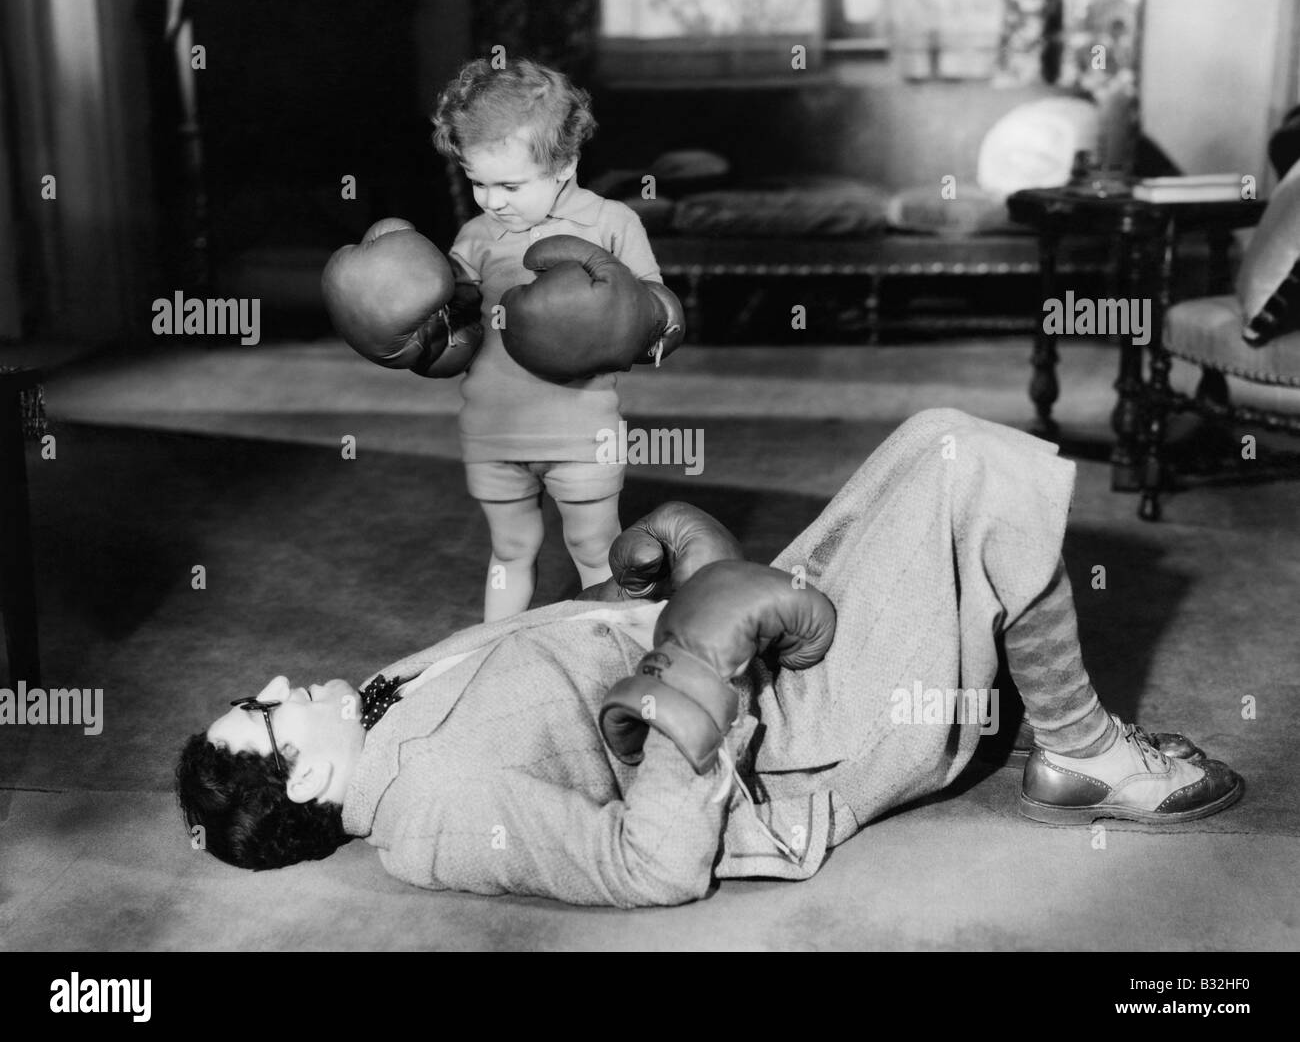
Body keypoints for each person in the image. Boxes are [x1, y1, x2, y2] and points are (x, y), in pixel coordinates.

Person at [176, 409, 1243, 908]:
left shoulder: (375, 698)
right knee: (963, 465)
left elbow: (548, 668)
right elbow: (651, 867)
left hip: (734, 636)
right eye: (259, 711)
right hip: (798, 726)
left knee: (937, 439)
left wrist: (626, 590)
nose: (274, 684)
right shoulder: (431, 814)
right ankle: (1083, 750)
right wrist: (694, 667)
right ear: (307, 778)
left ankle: (1034, 699)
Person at [323, 57, 685, 621]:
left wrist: (637, 322)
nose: (492, 200)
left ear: (564, 163)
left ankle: (613, 645)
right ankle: (492, 650)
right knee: (509, 551)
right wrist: (409, 336)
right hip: (493, 430)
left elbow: (659, 312)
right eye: (478, 183)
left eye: (510, 185)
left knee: (594, 548)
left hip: (582, 429)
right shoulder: (476, 235)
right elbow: (449, 321)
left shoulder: (614, 223)